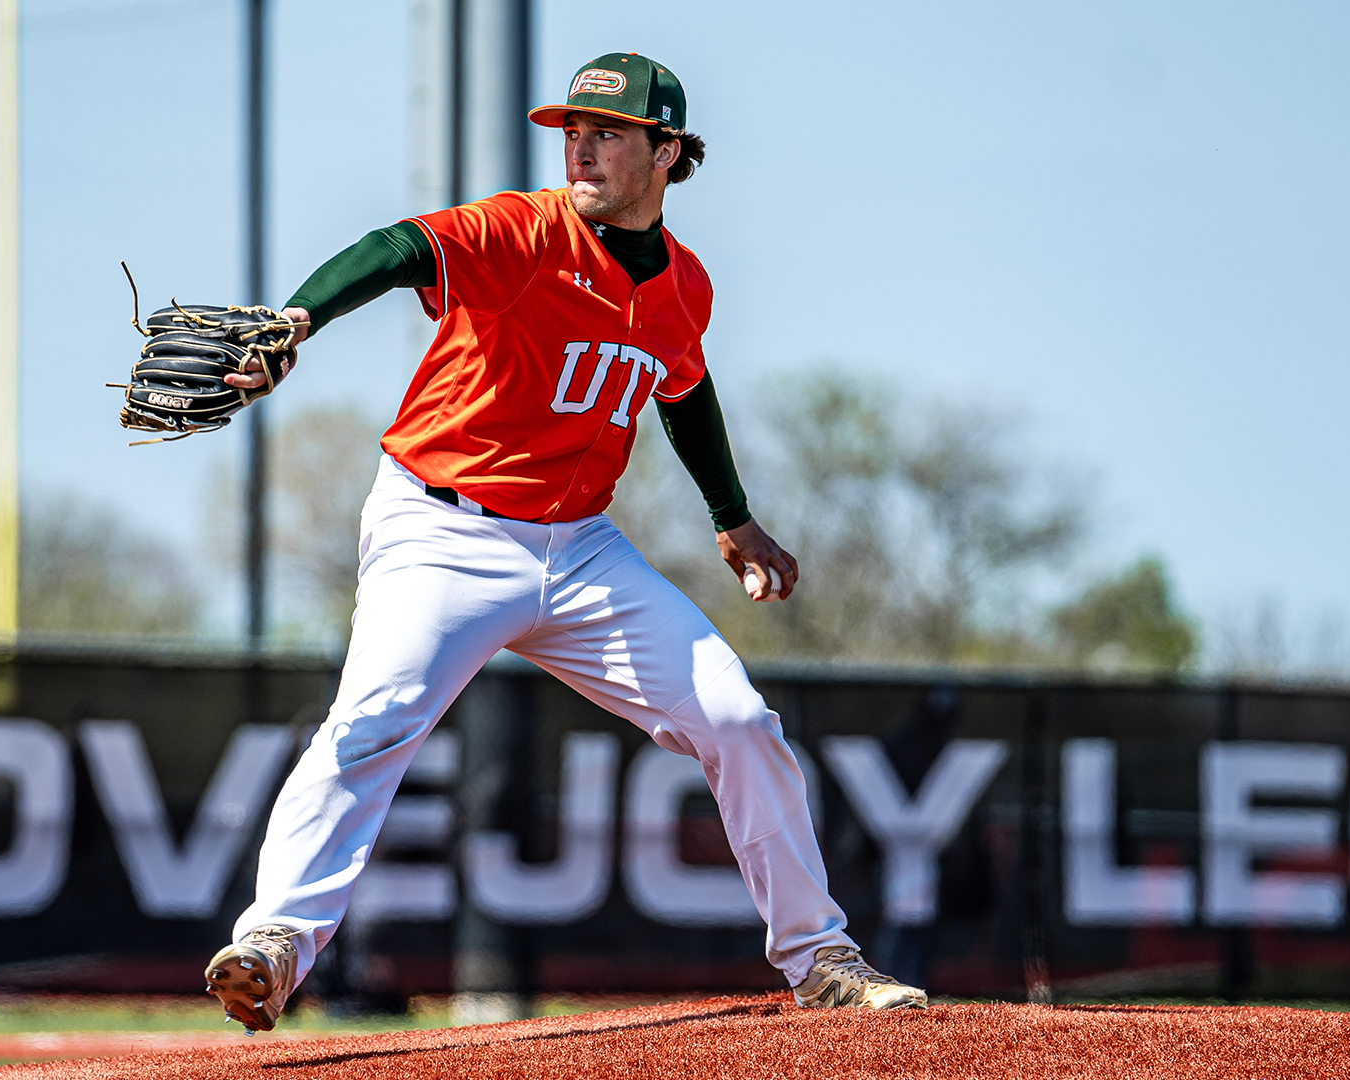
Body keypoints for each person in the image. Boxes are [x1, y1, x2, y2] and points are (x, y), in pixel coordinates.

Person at [202, 52, 924, 1031]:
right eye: (573, 128)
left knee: (740, 721)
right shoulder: (521, 229)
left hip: (580, 549)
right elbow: (397, 246)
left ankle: (819, 955)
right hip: (440, 528)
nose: (580, 144)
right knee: (372, 721)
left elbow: (686, 387)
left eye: (609, 131)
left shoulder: (685, 286)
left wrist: (731, 515)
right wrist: (299, 317)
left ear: (666, 152)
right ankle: (277, 943)